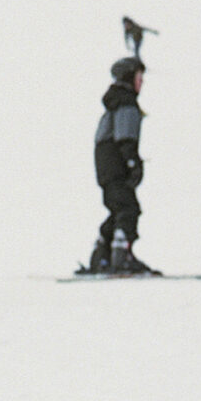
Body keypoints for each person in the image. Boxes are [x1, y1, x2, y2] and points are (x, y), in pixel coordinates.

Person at [87, 57, 156, 274]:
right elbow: (125, 135)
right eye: (139, 77)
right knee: (128, 209)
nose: (142, 82)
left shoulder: (114, 102)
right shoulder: (125, 102)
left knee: (117, 208)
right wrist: (132, 161)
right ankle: (121, 255)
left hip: (105, 166)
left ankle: (102, 255)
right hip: (115, 164)